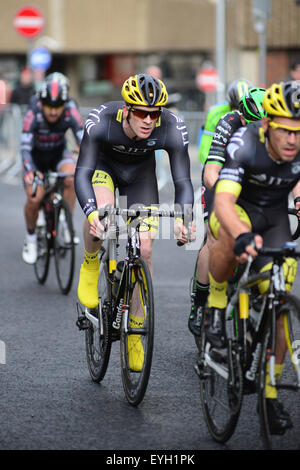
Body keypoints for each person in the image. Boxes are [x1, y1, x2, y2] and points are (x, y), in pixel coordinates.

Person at [75, 73, 194, 371]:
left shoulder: (172, 126)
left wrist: (184, 219)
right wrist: (91, 215)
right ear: (126, 110)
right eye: (141, 112)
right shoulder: (102, 120)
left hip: (140, 176)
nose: (148, 120)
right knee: (104, 215)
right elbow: (81, 173)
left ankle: (135, 333)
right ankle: (91, 263)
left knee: (145, 249)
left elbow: (182, 180)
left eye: (154, 114)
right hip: (103, 167)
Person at [205, 80, 300, 433]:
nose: (292, 140)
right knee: (230, 242)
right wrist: (241, 233)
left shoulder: (297, 145)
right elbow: (224, 200)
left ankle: (270, 395)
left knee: (279, 306)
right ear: (267, 125)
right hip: (238, 210)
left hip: (275, 217)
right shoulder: (244, 144)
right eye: (285, 131)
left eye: (299, 132)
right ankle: (215, 306)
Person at [188, 85, 265, 336]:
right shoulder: (228, 121)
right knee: (214, 237)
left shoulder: (272, 129)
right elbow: (211, 174)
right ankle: (200, 301)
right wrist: (225, 199)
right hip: (220, 177)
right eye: (249, 122)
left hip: (249, 181)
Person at [21, 72, 84, 264]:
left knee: (72, 178)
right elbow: (24, 149)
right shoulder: (33, 115)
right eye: (49, 106)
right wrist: (30, 170)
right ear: (41, 103)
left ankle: (65, 222)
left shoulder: (70, 112)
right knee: (35, 197)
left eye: (58, 106)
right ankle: (31, 239)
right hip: (36, 158)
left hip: (58, 154)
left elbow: (84, 140)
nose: (54, 111)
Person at [198, 78, 253, 165]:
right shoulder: (215, 113)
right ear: (229, 104)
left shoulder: (259, 114)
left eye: (245, 109)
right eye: (236, 108)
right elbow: (205, 149)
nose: (239, 113)